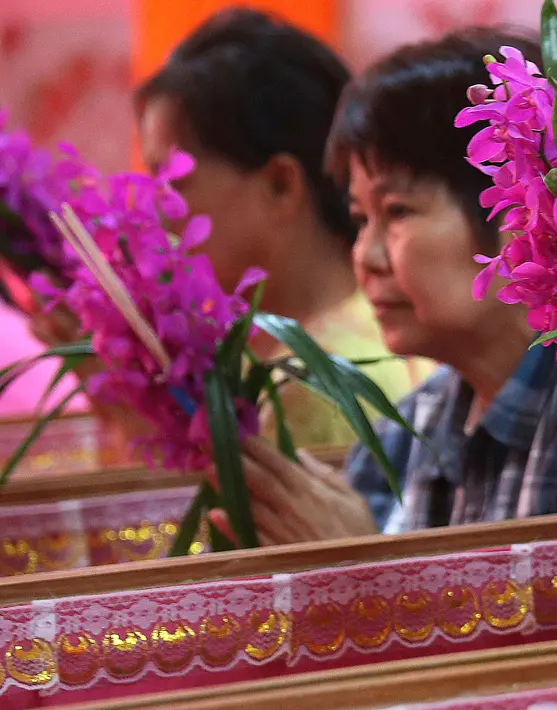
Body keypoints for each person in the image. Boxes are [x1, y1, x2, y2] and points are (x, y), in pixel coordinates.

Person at [206, 30, 557, 543]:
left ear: (524, 216)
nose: (365, 257)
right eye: (360, 218)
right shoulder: (406, 433)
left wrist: (363, 567)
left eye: (397, 212)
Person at [31, 8, 428, 454]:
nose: (154, 215)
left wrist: (134, 418)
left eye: (174, 183)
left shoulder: (319, 385)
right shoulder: (303, 344)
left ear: (280, 185)